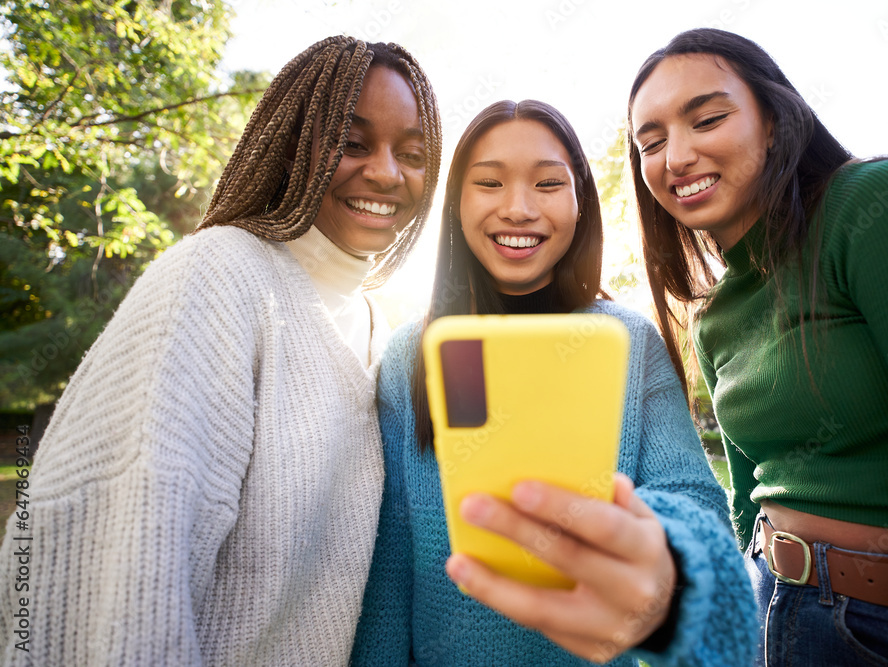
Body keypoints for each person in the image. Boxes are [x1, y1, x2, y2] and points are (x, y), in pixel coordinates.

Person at [0, 36, 442, 665]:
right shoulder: (218, 275)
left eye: (413, 153)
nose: (386, 172)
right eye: (350, 142)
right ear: (292, 143)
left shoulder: (383, 328)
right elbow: (135, 564)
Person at [627, 28, 888, 667]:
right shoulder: (715, 317)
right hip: (779, 615)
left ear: (774, 122)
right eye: (650, 142)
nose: (676, 156)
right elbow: (753, 500)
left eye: (707, 119)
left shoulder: (883, 206)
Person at [350, 99, 756, 666]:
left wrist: (659, 555)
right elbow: (390, 560)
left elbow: (695, 504)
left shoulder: (630, 343)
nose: (518, 209)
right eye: (489, 183)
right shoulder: (412, 355)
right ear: (458, 203)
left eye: (547, 184)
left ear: (579, 200)